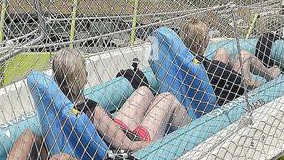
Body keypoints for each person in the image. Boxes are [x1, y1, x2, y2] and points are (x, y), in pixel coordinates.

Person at [52, 48, 190, 153]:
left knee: (144, 91)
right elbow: (128, 146)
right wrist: (162, 144)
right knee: (166, 98)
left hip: (116, 130)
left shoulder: (60, 106)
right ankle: (191, 137)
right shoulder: (91, 109)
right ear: (81, 75)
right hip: (133, 141)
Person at [178, 20, 282, 103]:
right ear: (201, 42)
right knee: (244, 55)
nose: (209, 38)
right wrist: (261, 85)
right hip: (229, 94)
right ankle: (270, 76)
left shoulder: (189, 59)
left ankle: (243, 70)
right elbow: (244, 83)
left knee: (222, 52)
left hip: (215, 83)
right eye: (207, 36)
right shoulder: (213, 67)